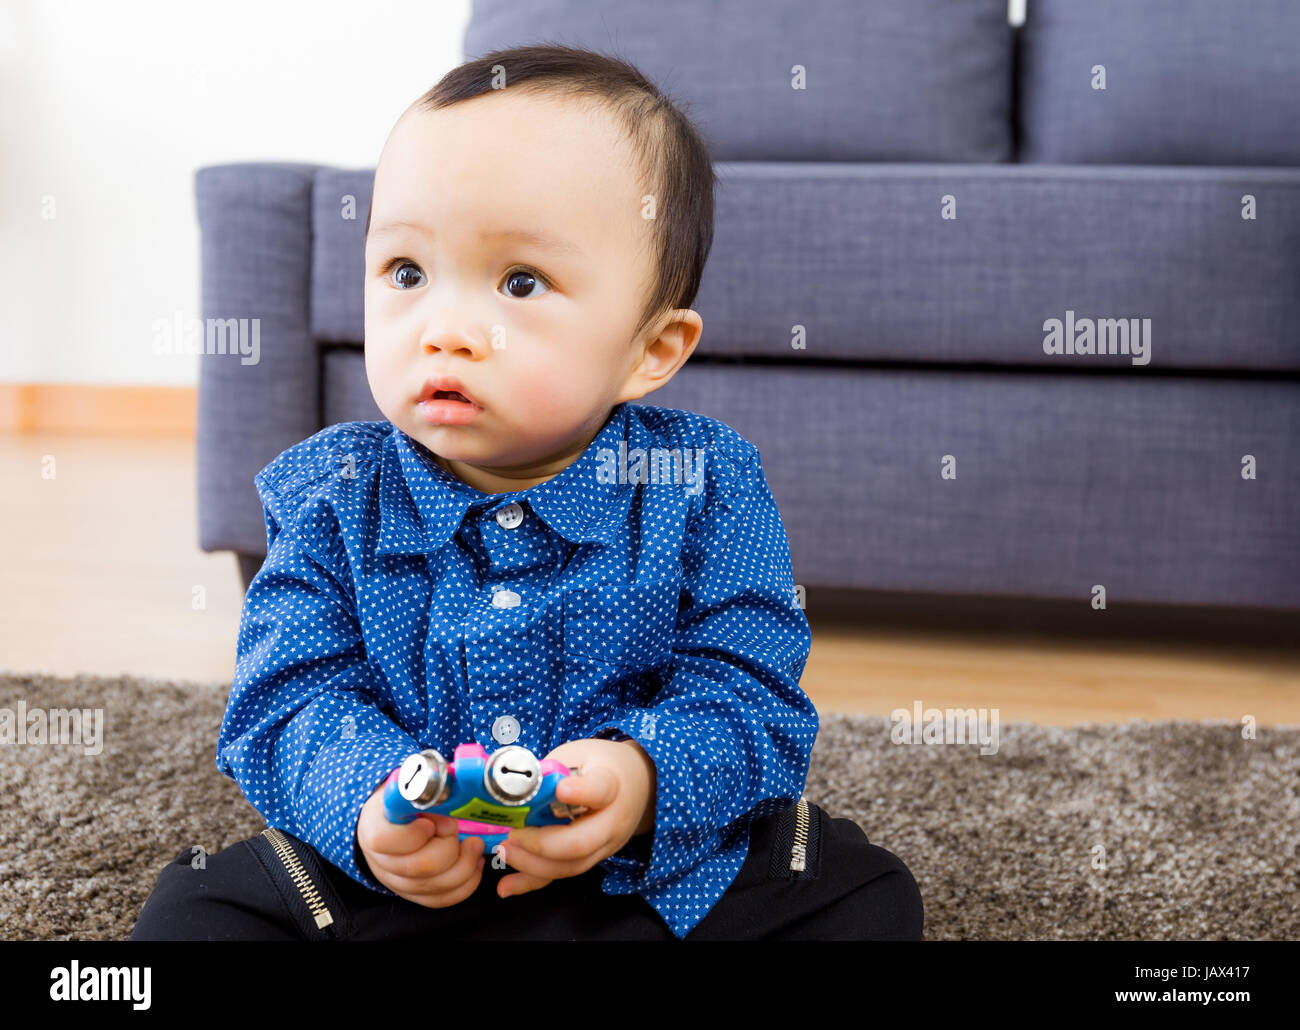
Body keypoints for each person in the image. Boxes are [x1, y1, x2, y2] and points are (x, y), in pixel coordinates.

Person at [129, 43, 922, 941]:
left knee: (863, 892)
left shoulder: (707, 484)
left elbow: (754, 699)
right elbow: (284, 703)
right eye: (407, 273)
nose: (446, 330)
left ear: (649, 351)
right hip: (402, 881)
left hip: (644, 879)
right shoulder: (332, 493)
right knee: (197, 911)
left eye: (519, 283)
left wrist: (640, 782)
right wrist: (374, 807)